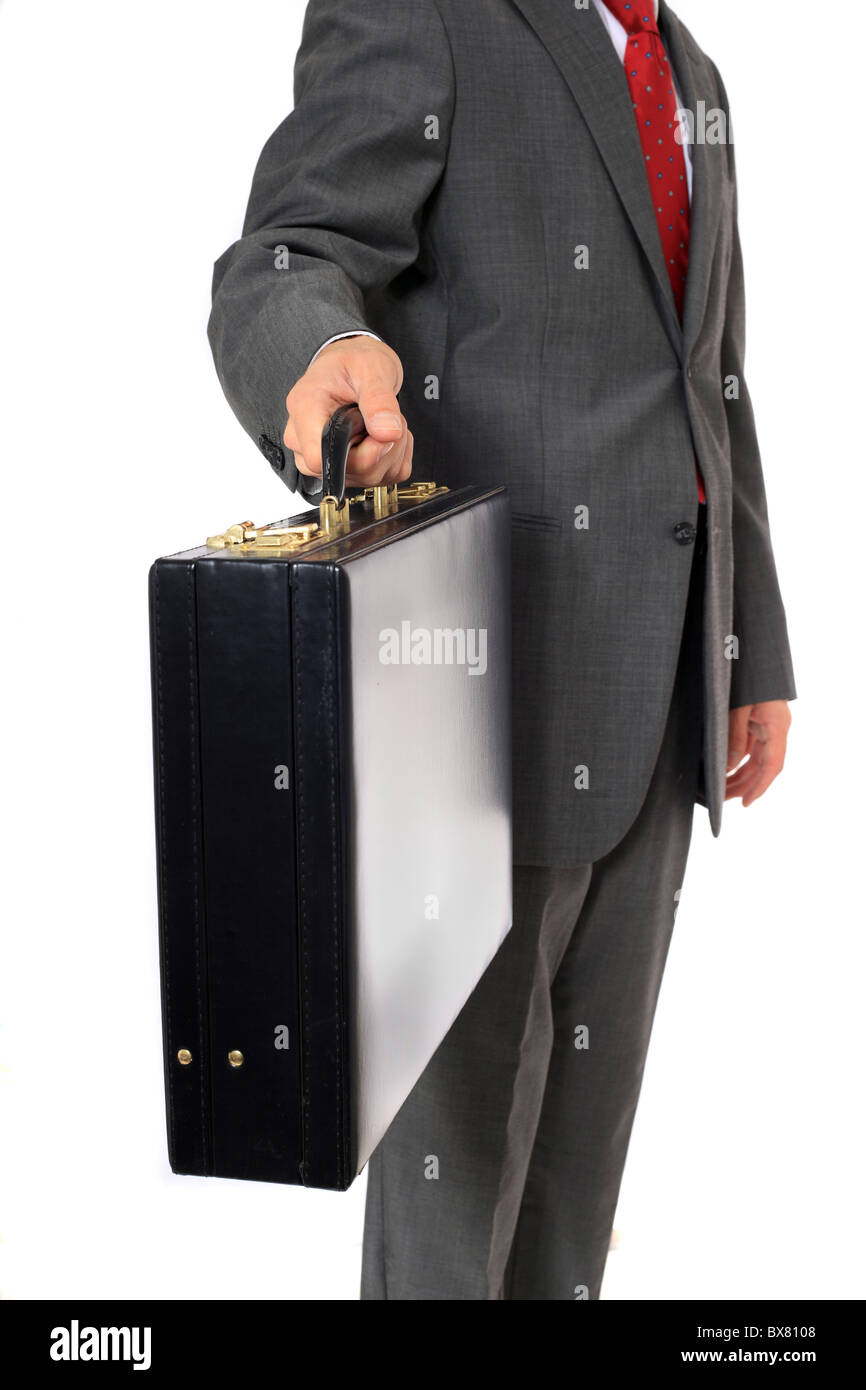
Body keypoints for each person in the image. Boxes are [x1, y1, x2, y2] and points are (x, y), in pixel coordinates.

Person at [207, 0, 795, 1300]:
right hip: (480, 699)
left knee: (572, 1194)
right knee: (451, 1192)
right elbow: (290, 251)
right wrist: (324, 351)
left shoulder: (687, 67)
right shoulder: (424, 11)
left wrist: (752, 643)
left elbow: (712, 379)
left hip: (662, 690)